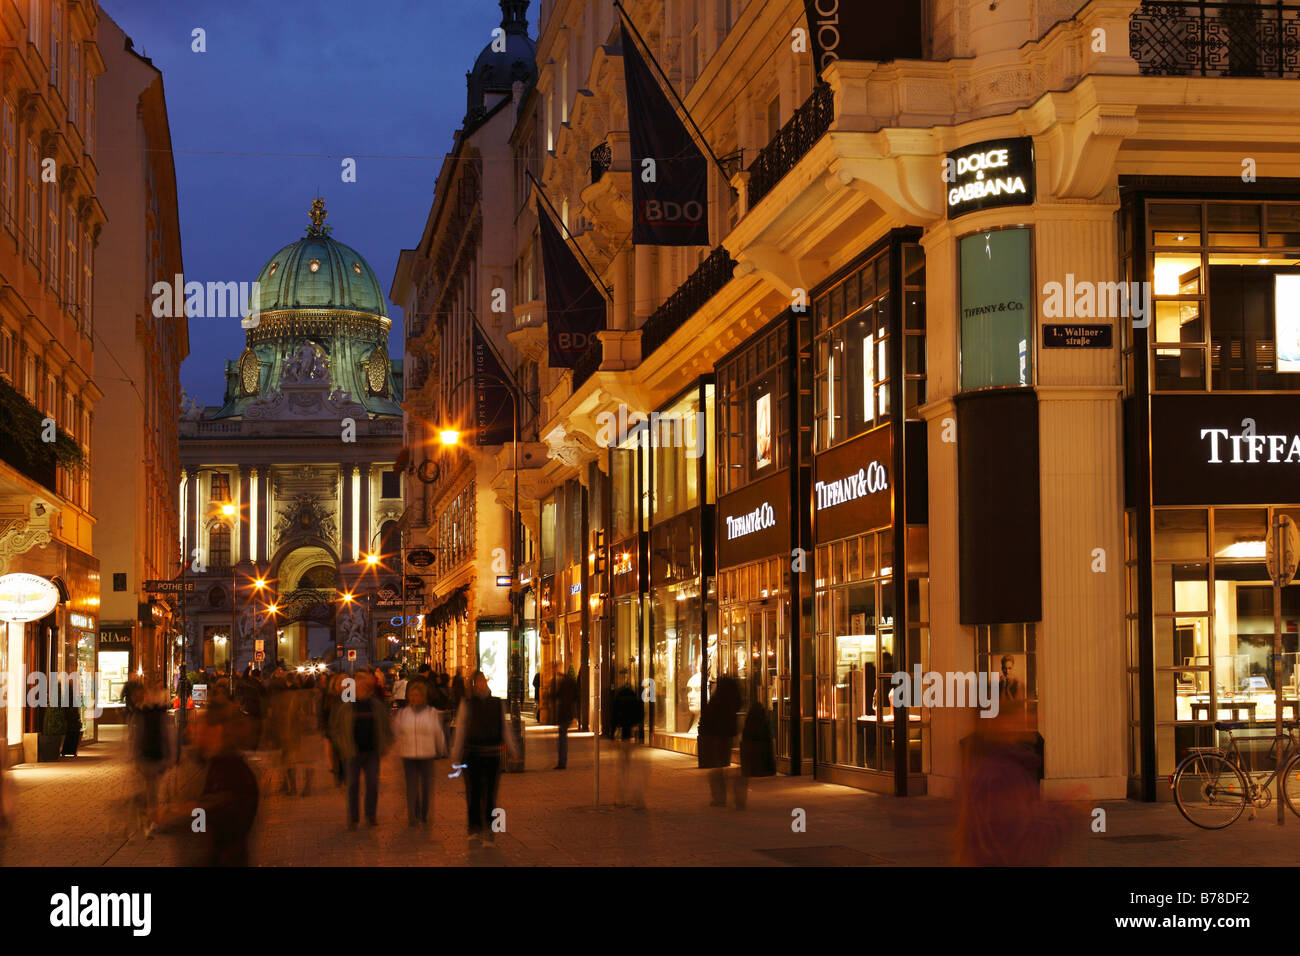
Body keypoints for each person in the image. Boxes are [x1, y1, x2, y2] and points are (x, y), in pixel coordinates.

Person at [450, 671, 519, 845]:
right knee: (473, 793)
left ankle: (489, 829)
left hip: (492, 753)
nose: (481, 684)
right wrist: (456, 753)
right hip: (471, 753)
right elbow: (461, 729)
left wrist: (512, 748)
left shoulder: (497, 703)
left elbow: (504, 727)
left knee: (490, 794)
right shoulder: (467, 703)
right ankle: (473, 827)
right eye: (478, 681)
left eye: (483, 681)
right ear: (474, 684)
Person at [330, 669, 393, 828]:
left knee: (372, 784)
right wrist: (343, 746)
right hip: (352, 751)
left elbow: (385, 724)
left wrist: (385, 744)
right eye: (360, 680)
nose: (363, 683)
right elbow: (336, 727)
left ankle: (370, 815)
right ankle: (353, 818)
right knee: (352, 786)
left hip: (372, 751)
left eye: (365, 680)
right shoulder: (346, 704)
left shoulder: (375, 704)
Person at [393, 681, 446, 827]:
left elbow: (438, 732)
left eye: (417, 695)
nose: (414, 698)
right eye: (412, 695)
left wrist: (441, 749)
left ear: (423, 697)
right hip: (408, 755)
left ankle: (424, 813)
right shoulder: (403, 713)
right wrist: (400, 744)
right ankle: (412, 815)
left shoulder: (431, 713)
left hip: (426, 754)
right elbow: (396, 731)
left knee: (426, 786)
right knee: (411, 786)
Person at [128, 683, 176, 837]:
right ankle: (153, 820)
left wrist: (135, 756)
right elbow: (169, 736)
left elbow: (136, 737)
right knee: (155, 792)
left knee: (152, 791)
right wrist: (171, 756)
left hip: (147, 757)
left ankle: (151, 819)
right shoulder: (161, 714)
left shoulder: (141, 713)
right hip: (157, 757)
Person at [697, 675, 742, 807]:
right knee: (723, 764)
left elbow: (708, 718)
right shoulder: (733, 700)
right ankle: (731, 793)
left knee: (717, 767)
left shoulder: (717, 700)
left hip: (716, 736)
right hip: (727, 735)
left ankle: (719, 797)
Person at [611, 674, 646, 808]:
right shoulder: (635, 698)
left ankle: (620, 798)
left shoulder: (618, 698)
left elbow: (614, 717)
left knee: (622, 768)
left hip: (623, 737)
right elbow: (641, 715)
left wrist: (613, 734)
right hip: (633, 736)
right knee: (635, 769)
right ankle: (637, 798)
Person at [737, 697, 776, 810]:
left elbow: (746, 735)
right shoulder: (763, 722)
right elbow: (767, 735)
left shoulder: (749, 722)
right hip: (761, 748)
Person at [553, 669, 578, 770]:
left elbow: (557, 696)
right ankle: (562, 761)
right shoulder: (570, 684)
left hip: (564, 715)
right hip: (568, 715)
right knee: (562, 738)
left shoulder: (564, 685)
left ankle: (562, 762)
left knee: (562, 739)